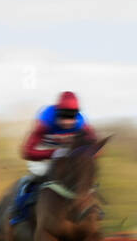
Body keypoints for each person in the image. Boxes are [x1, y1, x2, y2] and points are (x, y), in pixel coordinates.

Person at [12, 91, 97, 223]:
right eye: (64, 117)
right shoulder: (45, 121)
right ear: (57, 112)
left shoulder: (82, 124)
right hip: (44, 152)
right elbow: (26, 152)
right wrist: (54, 153)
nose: (68, 122)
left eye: (71, 117)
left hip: (69, 156)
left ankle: (91, 209)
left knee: (83, 175)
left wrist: (83, 155)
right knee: (39, 174)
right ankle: (19, 210)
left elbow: (96, 149)